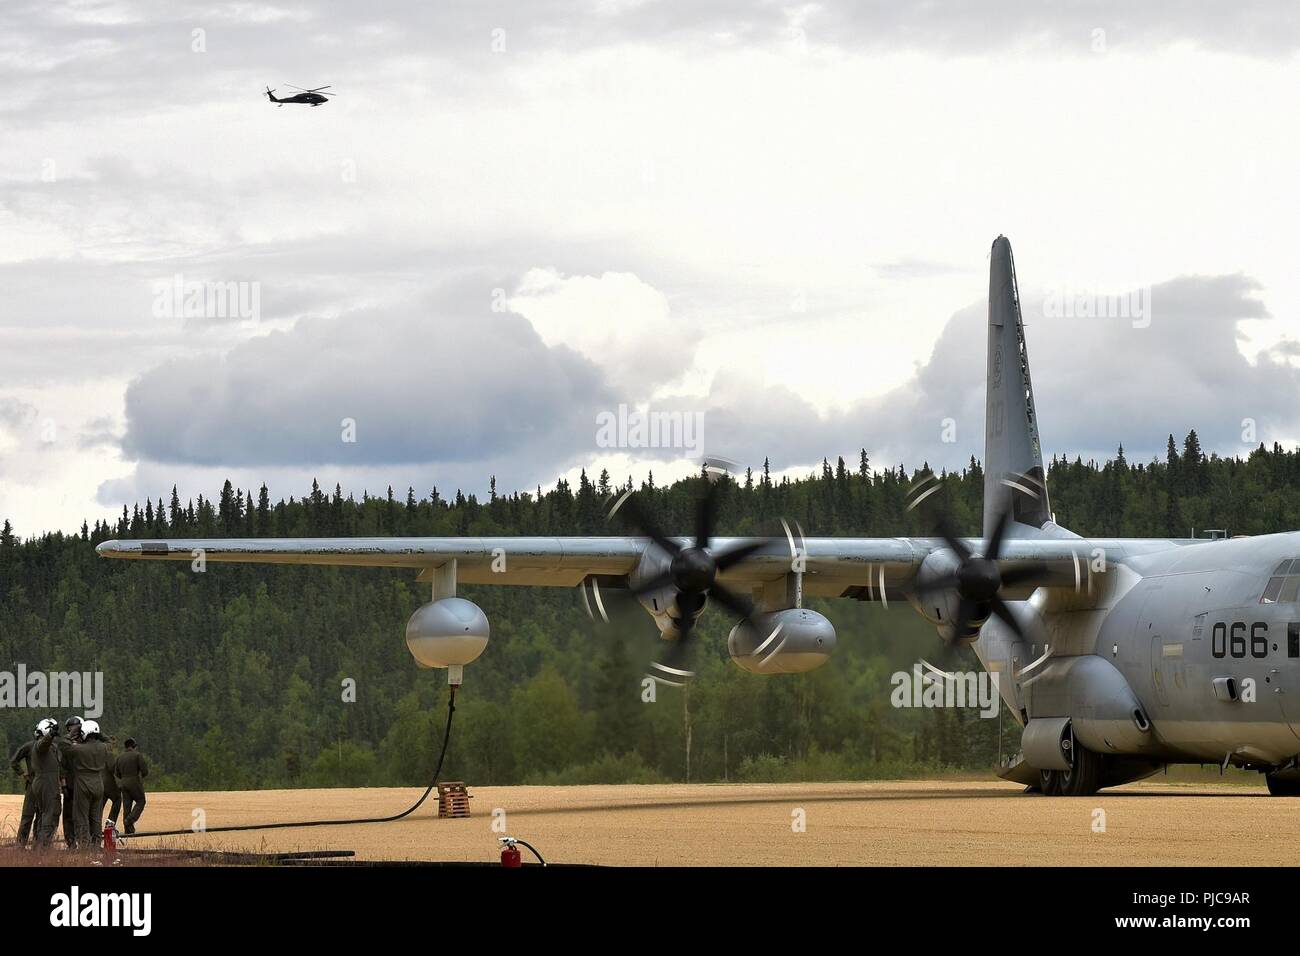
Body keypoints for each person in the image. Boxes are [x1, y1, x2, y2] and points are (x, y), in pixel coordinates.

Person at [55, 718, 108, 849]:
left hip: (83, 783)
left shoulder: (79, 749)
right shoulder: (104, 747)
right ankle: (96, 845)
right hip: (99, 783)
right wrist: (100, 734)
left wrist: (71, 733)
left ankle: (84, 845)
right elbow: (109, 741)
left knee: (81, 816)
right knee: (96, 817)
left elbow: (62, 744)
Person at [30, 718, 62, 850]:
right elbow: (43, 743)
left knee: (44, 814)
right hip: (46, 783)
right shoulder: (41, 745)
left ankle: (39, 844)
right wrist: (50, 735)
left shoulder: (49, 747)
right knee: (49, 813)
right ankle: (44, 846)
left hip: (46, 782)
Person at [9, 728, 39, 847]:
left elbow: (14, 761)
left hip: (39, 784)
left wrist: (22, 773)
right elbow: (14, 761)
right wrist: (22, 773)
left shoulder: (51, 747)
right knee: (29, 816)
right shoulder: (29, 746)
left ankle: (36, 845)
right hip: (33, 784)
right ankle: (22, 845)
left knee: (40, 816)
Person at [115, 738, 148, 833]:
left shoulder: (119, 757)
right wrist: (141, 777)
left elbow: (116, 773)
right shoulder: (137, 755)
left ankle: (128, 830)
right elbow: (144, 771)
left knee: (127, 806)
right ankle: (130, 819)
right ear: (133, 746)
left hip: (123, 783)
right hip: (134, 781)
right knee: (141, 801)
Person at [59, 716, 81, 847]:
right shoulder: (66, 744)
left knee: (82, 815)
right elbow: (62, 766)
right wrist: (64, 785)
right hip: (71, 784)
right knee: (68, 815)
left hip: (80, 783)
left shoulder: (85, 743)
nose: (71, 730)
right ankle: (71, 842)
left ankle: (82, 840)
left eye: (73, 727)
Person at [100, 733, 122, 835]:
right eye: (112, 743)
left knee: (99, 806)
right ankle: (110, 824)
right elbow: (112, 768)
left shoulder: (96, 753)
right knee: (117, 799)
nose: (113, 745)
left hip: (99, 783)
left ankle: (95, 827)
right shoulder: (109, 753)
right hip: (108, 783)